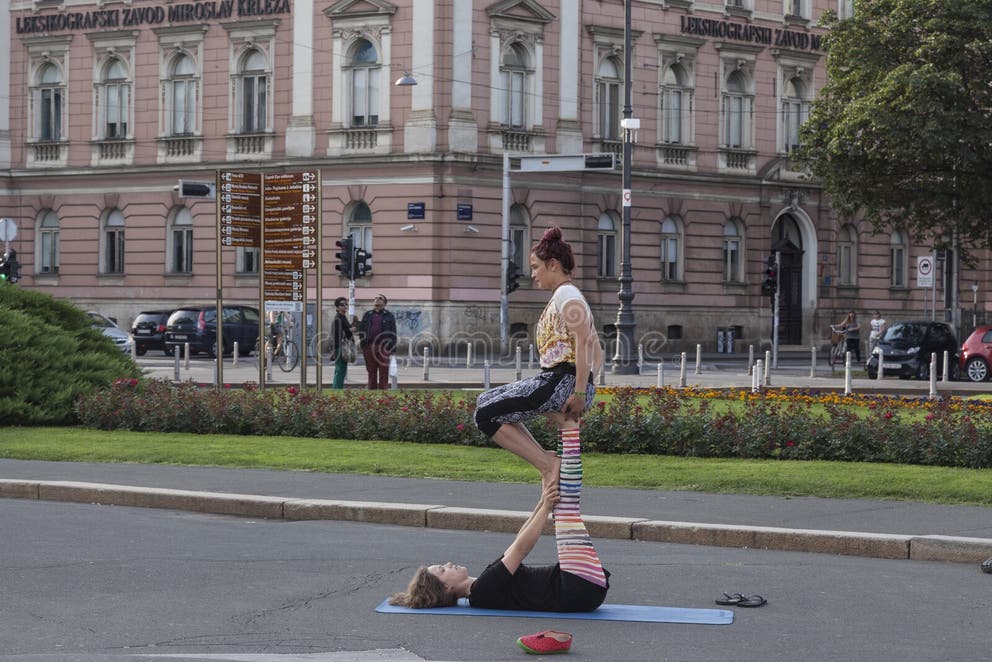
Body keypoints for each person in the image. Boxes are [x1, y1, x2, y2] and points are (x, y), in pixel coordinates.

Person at [474, 226, 604, 490]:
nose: (533, 275)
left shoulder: (567, 296)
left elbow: (584, 343)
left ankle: (547, 466)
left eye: (536, 267)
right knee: (485, 402)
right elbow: (596, 349)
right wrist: (588, 385)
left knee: (485, 414)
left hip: (560, 381)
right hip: (561, 381)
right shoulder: (565, 296)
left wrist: (580, 393)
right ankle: (546, 461)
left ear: (553, 264)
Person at [389, 472, 610, 615]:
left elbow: (517, 542)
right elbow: (522, 549)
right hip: (576, 589)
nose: (448, 563)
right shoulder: (483, 590)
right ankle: (569, 429)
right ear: (447, 587)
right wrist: (546, 508)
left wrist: (542, 502)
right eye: (443, 569)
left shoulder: (483, 585)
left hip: (578, 587)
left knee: (562, 508)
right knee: (565, 509)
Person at [358, 294, 397, 390]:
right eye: (375, 298)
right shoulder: (368, 314)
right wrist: (363, 344)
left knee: (384, 371)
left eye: (380, 298)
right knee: (371, 370)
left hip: (383, 347)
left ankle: (383, 392)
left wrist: (392, 348)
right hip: (369, 346)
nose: (377, 300)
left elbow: (393, 332)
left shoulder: (389, 315)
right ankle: (372, 391)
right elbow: (362, 330)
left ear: (384, 303)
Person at [330, 297, 354, 389]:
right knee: (340, 368)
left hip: (342, 346)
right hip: (340, 346)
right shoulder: (338, 318)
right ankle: (337, 388)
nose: (344, 306)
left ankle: (338, 387)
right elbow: (337, 333)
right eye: (342, 305)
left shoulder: (343, 317)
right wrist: (350, 329)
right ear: (337, 307)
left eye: (345, 304)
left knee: (342, 368)